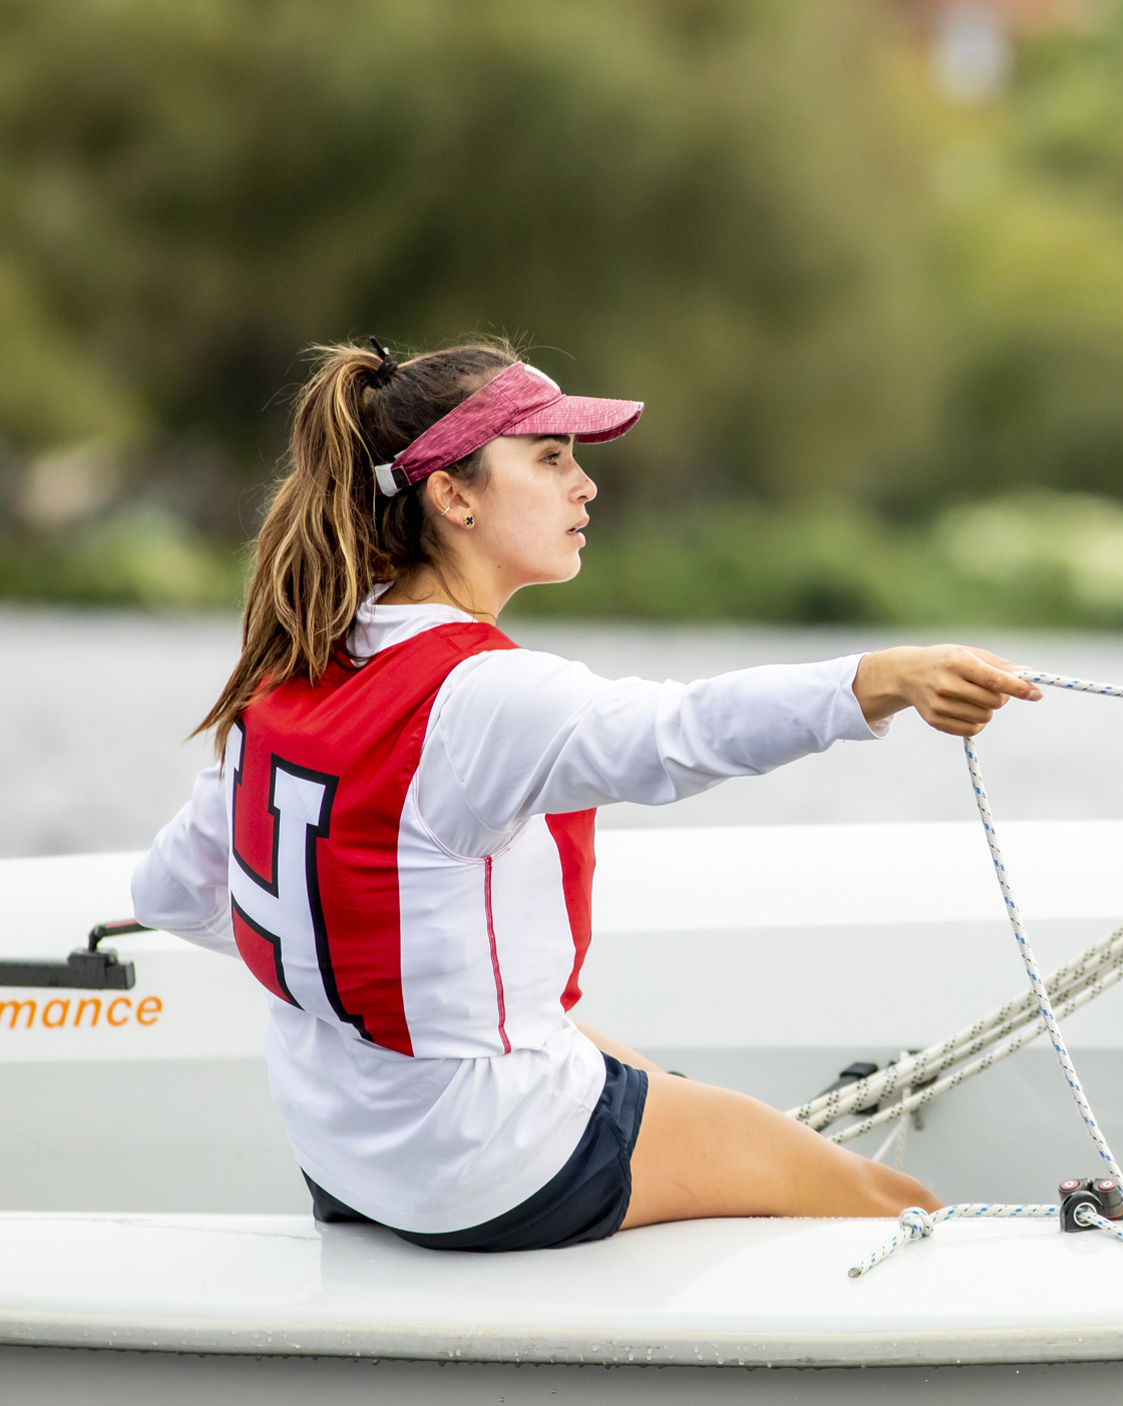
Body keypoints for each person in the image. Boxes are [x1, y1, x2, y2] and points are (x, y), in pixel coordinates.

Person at [131, 338, 1043, 1252]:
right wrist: (882, 677)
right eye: (550, 458)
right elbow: (681, 732)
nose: (586, 486)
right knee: (888, 1197)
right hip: (487, 1162)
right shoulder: (482, 694)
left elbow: (168, 895)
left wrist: (366, 976)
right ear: (452, 496)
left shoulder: (289, 674)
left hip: (344, 1157)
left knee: (638, 1075)